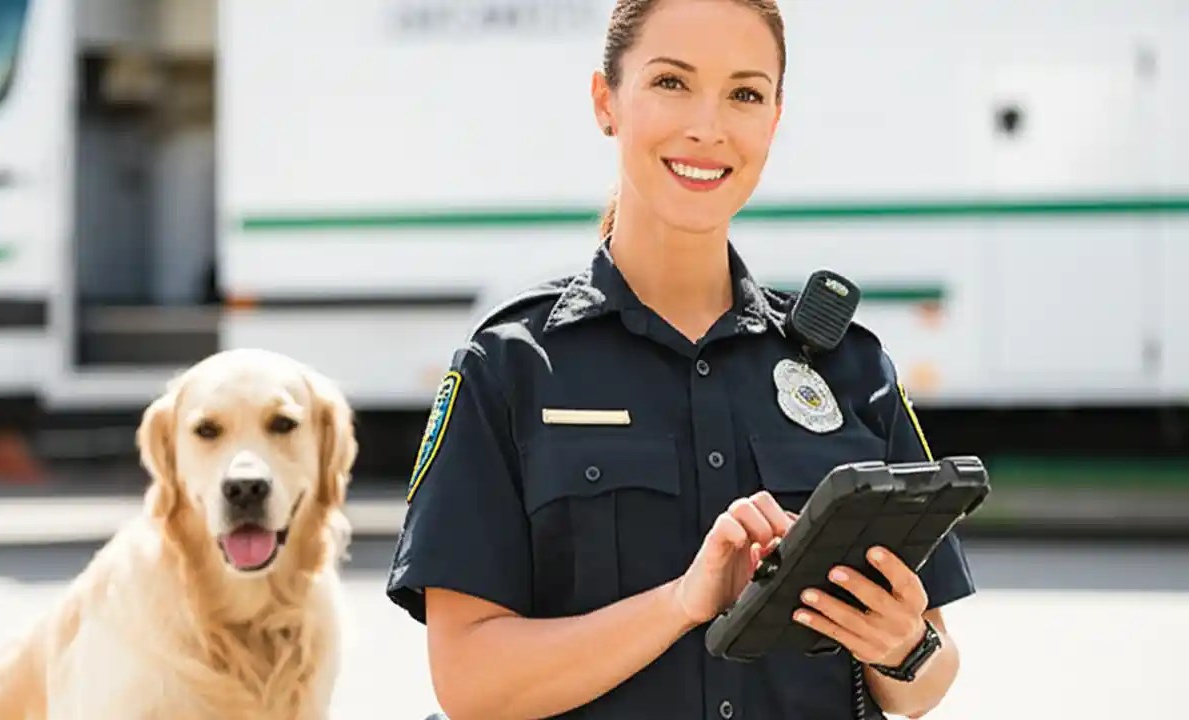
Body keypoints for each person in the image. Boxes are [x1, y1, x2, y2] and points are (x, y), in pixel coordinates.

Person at [386, 0, 976, 717]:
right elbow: (469, 681)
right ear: (606, 101)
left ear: (774, 120)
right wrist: (681, 603)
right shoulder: (510, 367)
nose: (708, 126)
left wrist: (902, 645)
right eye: (671, 82)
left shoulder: (850, 368)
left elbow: (927, 678)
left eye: (745, 94)